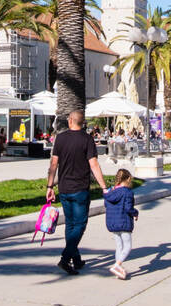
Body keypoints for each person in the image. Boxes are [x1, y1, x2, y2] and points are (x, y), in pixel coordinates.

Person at [46, 110, 109, 275]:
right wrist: (103, 186)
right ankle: (66, 258)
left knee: (71, 224)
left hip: (64, 188)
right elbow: (94, 164)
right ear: (82, 123)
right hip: (80, 189)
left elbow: (54, 164)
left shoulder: (61, 138)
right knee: (80, 224)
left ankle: (77, 259)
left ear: (70, 121)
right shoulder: (87, 139)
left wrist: (50, 186)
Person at [103, 168, 139, 280]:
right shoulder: (127, 192)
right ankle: (117, 265)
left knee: (119, 246)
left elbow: (106, 205)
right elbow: (129, 208)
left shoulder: (110, 192)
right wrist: (135, 213)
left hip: (113, 222)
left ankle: (118, 269)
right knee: (127, 246)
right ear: (128, 179)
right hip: (124, 222)